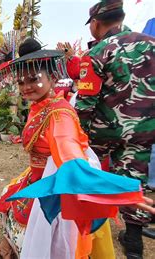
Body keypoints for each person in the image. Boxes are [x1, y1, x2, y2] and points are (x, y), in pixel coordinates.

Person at [0, 38, 152, 259]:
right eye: (21, 82)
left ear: (52, 77)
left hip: (53, 184)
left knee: (43, 236)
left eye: (34, 79)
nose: (26, 87)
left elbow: (69, 152)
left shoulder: (59, 114)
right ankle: (7, 248)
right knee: (11, 195)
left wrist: (117, 190)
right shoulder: (39, 105)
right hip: (37, 176)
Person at [75, 1, 155, 258]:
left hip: (103, 132)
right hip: (143, 130)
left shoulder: (98, 52)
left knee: (91, 180)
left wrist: (80, 136)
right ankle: (133, 245)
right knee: (133, 182)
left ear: (96, 24)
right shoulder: (151, 45)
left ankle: (90, 236)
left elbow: (86, 102)